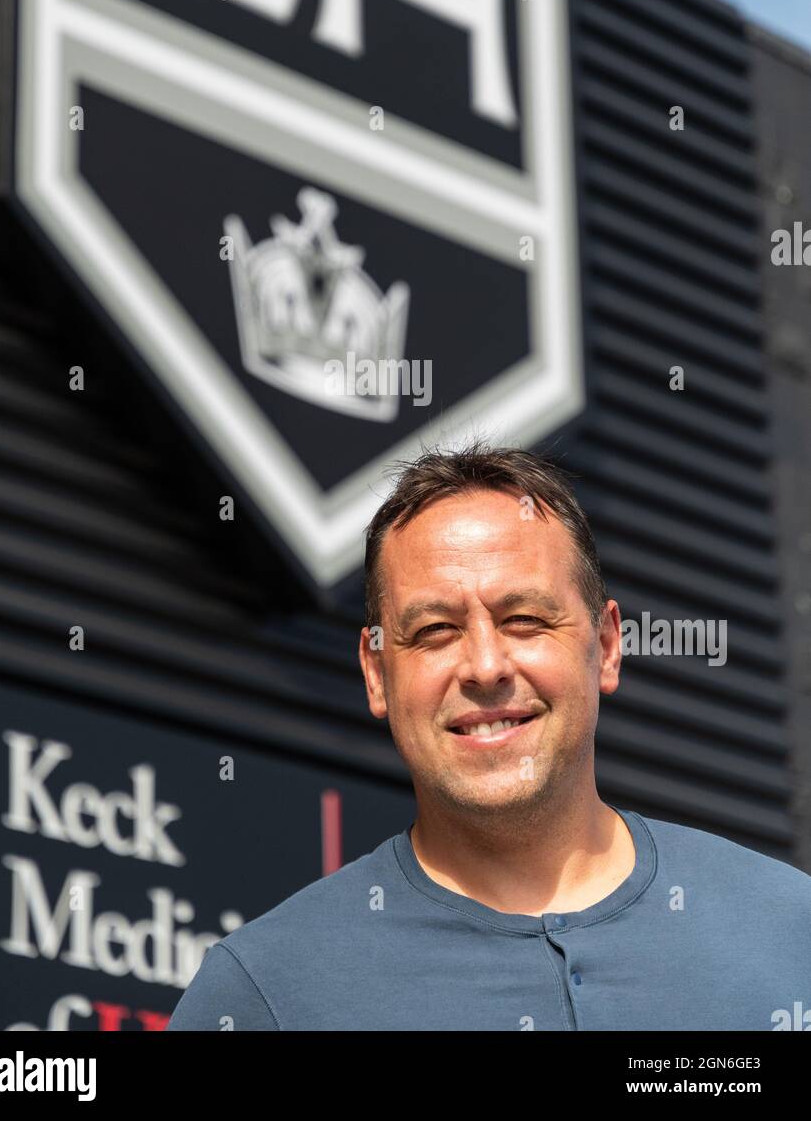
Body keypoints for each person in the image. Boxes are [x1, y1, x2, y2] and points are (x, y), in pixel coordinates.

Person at [167, 442, 811, 1031]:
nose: (484, 667)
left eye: (525, 620)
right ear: (376, 674)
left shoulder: (790, 931)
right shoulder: (265, 994)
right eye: (435, 632)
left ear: (608, 647)